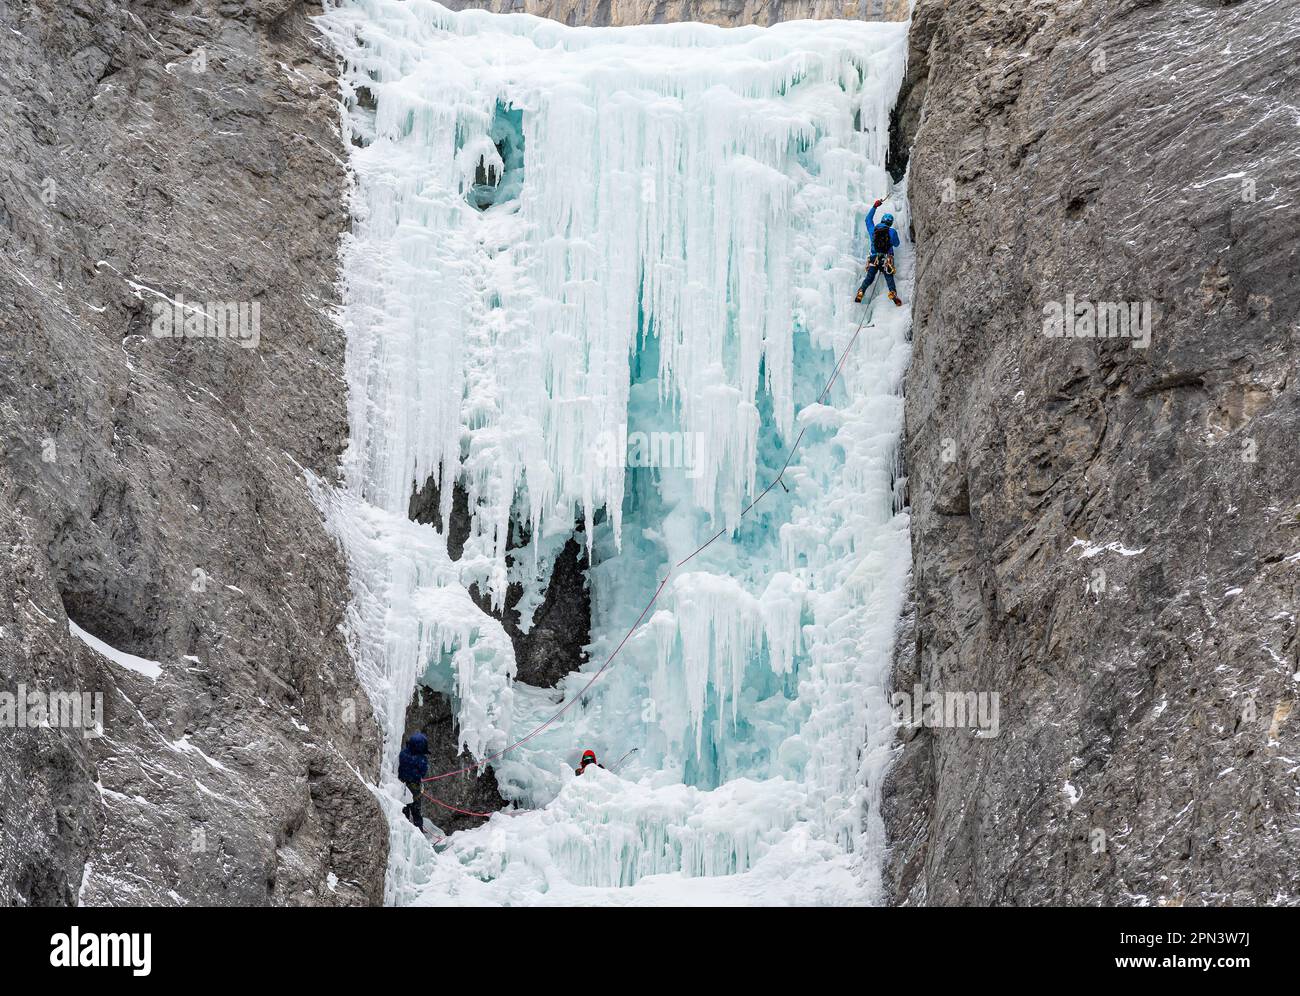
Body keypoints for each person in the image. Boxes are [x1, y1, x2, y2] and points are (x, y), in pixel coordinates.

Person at [855, 199, 903, 306]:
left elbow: (868, 219)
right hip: (886, 259)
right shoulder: (892, 232)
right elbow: (897, 244)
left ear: (882, 220)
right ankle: (892, 292)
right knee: (889, 277)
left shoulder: (874, 230)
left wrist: (875, 206)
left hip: (873, 258)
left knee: (869, 278)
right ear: (890, 223)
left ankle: (861, 290)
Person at [398, 732, 429, 829]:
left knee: (405, 810)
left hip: (402, 786)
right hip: (414, 787)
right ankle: (419, 831)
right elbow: (423, 772)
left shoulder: (403, 754)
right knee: (416, 812)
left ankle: (404, 830)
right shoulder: (421, 759)